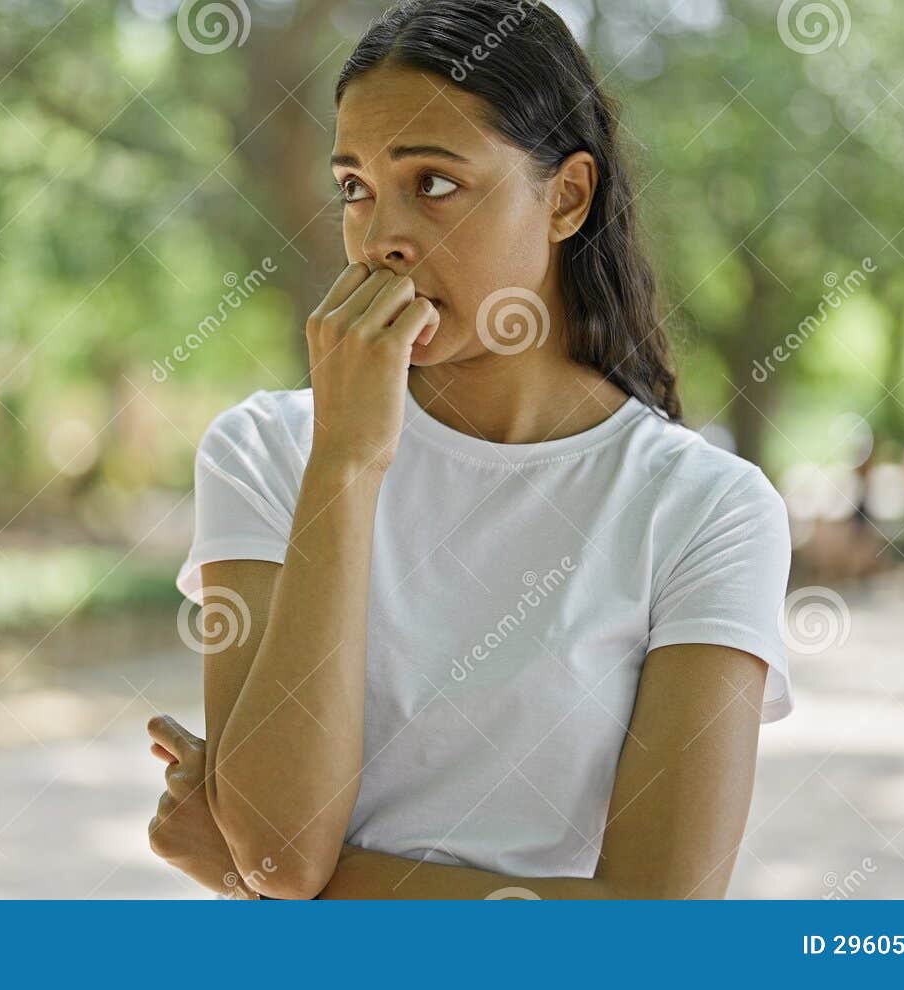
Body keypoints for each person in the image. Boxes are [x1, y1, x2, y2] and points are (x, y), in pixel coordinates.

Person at [146, 0, 793, 899]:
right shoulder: (265, 453)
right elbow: (280, 852)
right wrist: (346, 462)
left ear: (566, 197)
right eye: (355, 187)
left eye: (435, 184)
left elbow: (656, 934)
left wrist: (304, 892)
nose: (380, 240)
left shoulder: (707, 510)